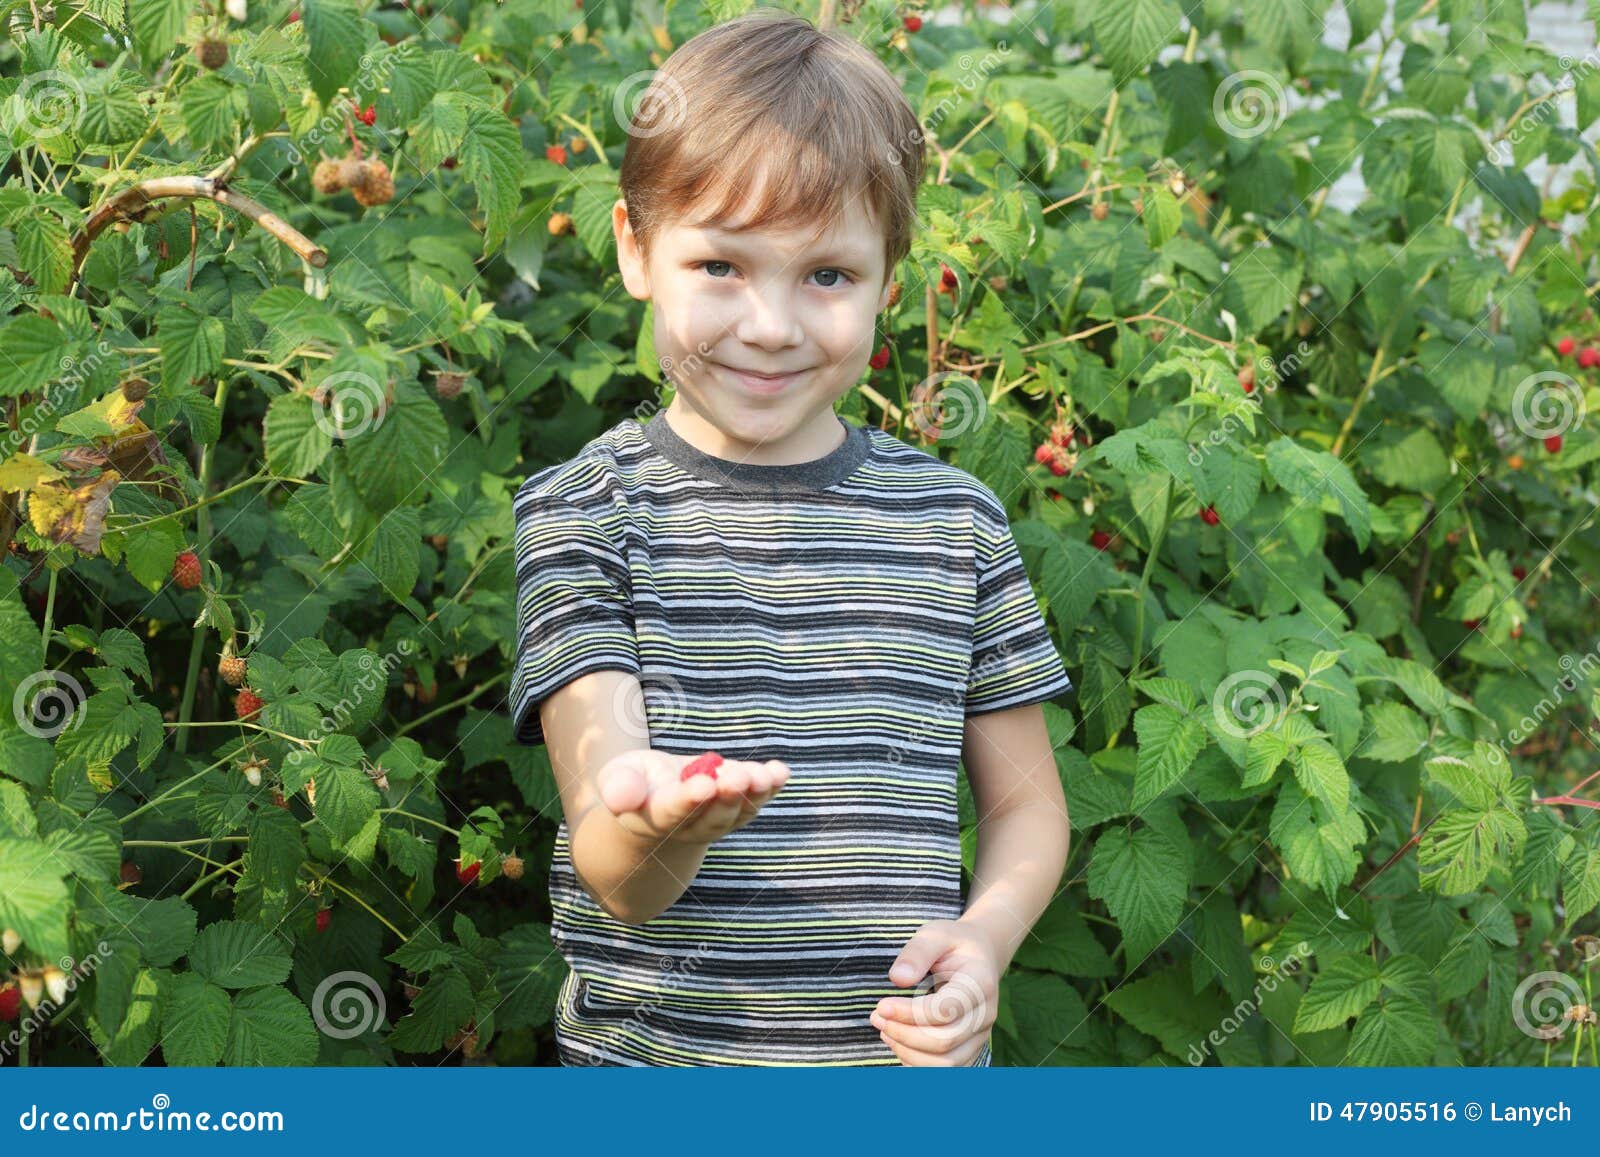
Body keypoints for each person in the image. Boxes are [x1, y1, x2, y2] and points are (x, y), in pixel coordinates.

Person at [508, 7, 1072, 1066]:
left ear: (889, 281)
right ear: (635, 248)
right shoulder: (587, 513)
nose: (769, 326)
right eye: (720, 265)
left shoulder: (956, 523)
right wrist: (661, 824)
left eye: (827, 275)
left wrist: (984, 939)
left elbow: (1030, 807)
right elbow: (614, 872)